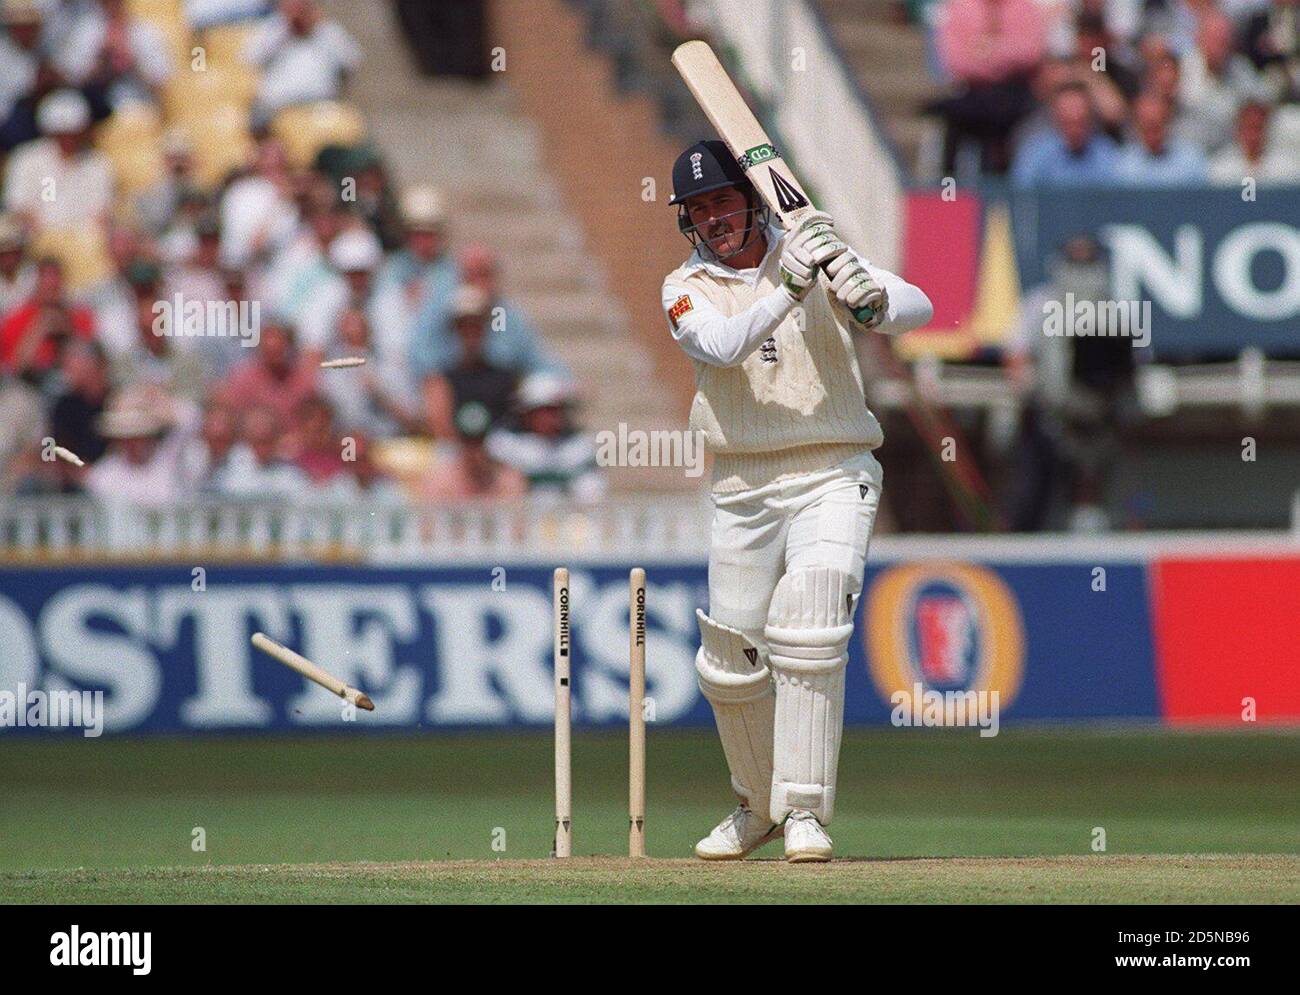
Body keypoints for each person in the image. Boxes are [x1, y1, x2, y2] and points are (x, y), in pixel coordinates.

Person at [660, 141, 932, 862]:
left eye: (722, 201)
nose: (712, 219)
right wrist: (789, 286)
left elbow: (917, 305)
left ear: (750, 200)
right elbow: (719, 347)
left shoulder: (814, 244)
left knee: (809, 623)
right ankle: (756, 806)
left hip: (832, 466)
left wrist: (864, 295)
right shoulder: (682, 287)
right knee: (729, 657)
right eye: (698, 210)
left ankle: (804, 811)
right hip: (741, 483)